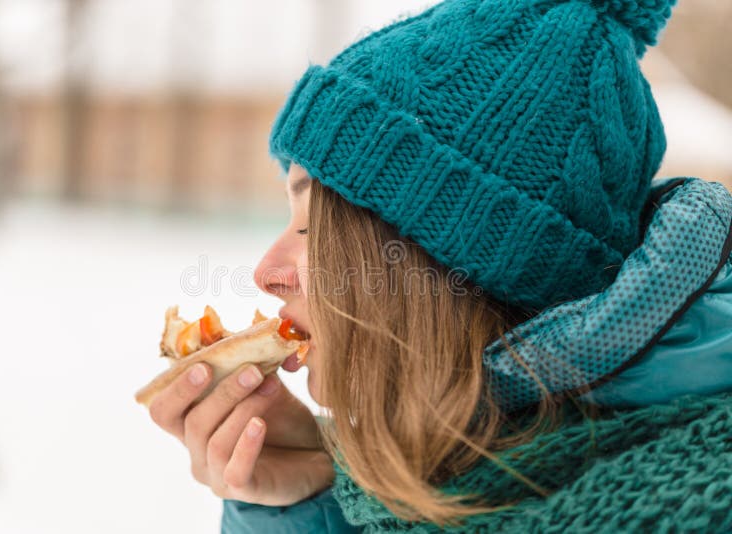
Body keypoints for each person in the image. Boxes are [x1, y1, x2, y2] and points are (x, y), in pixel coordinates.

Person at [147, 0, 732, 531]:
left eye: (313, 228)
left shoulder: (696, 503)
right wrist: (313, 502)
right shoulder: (449, 483)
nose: (267, 272)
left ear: (455, 263)